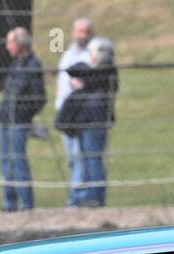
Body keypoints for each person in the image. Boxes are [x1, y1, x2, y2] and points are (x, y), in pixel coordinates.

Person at [61, 36, 118, 208]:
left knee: (93, 160)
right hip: (86, 121)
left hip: (95, 123)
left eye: (93, 53)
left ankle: (96, 197)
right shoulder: (95, 72)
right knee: (85, 160)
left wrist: (83, 83)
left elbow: (86, 78)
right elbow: (73, 70)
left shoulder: (106, 72)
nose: (91, 57)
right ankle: (85, 196)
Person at [0, 26, 45, 212]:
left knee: (18, 161)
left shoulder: (33, 65)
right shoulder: (14, 64)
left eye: (10, 43)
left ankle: (26, 203)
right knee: (5, 162)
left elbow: (39, 97)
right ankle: (9, 203)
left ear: (19, 44)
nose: (7, 47)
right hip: (6, 120)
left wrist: (25, 114)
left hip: (19, 122)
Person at [55, 17, 93, 206]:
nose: (83, 36)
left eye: (86, 32)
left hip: (80, 113)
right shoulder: (67, 55)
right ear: (73, 33)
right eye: (80, 31)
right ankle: (77, 193)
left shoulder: (90, 55)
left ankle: (77, 198)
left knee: (79, 156)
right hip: (65, 113)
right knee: (71, 158)